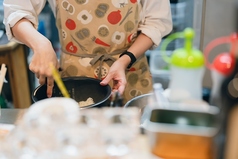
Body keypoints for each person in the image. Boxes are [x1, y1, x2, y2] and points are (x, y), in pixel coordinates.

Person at [3, 0, 172, 103]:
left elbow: (156, 22)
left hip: (129, 72)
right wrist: (40, 44)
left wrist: (124, 59)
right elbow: (17, 11)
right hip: (74, 77)